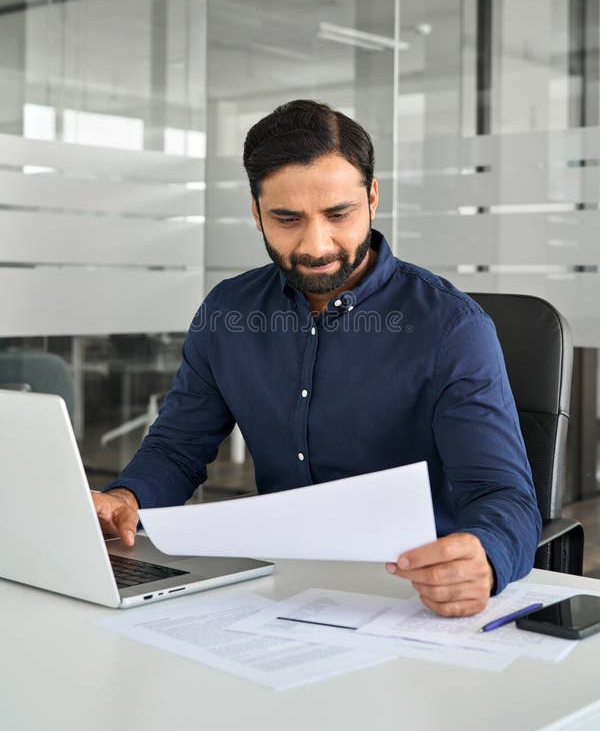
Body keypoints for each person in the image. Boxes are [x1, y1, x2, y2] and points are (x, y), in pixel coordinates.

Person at [93, 99, 541, 618]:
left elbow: (502, 494)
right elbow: (175, 450)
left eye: (338, 214)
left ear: (372, 198)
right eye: (287, 218)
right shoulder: (227, 313)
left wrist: (487, 555)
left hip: (410, 597)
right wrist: (127, 497)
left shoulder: (452, 329)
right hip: (276, 591)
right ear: (256, 212)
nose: (315, 244)